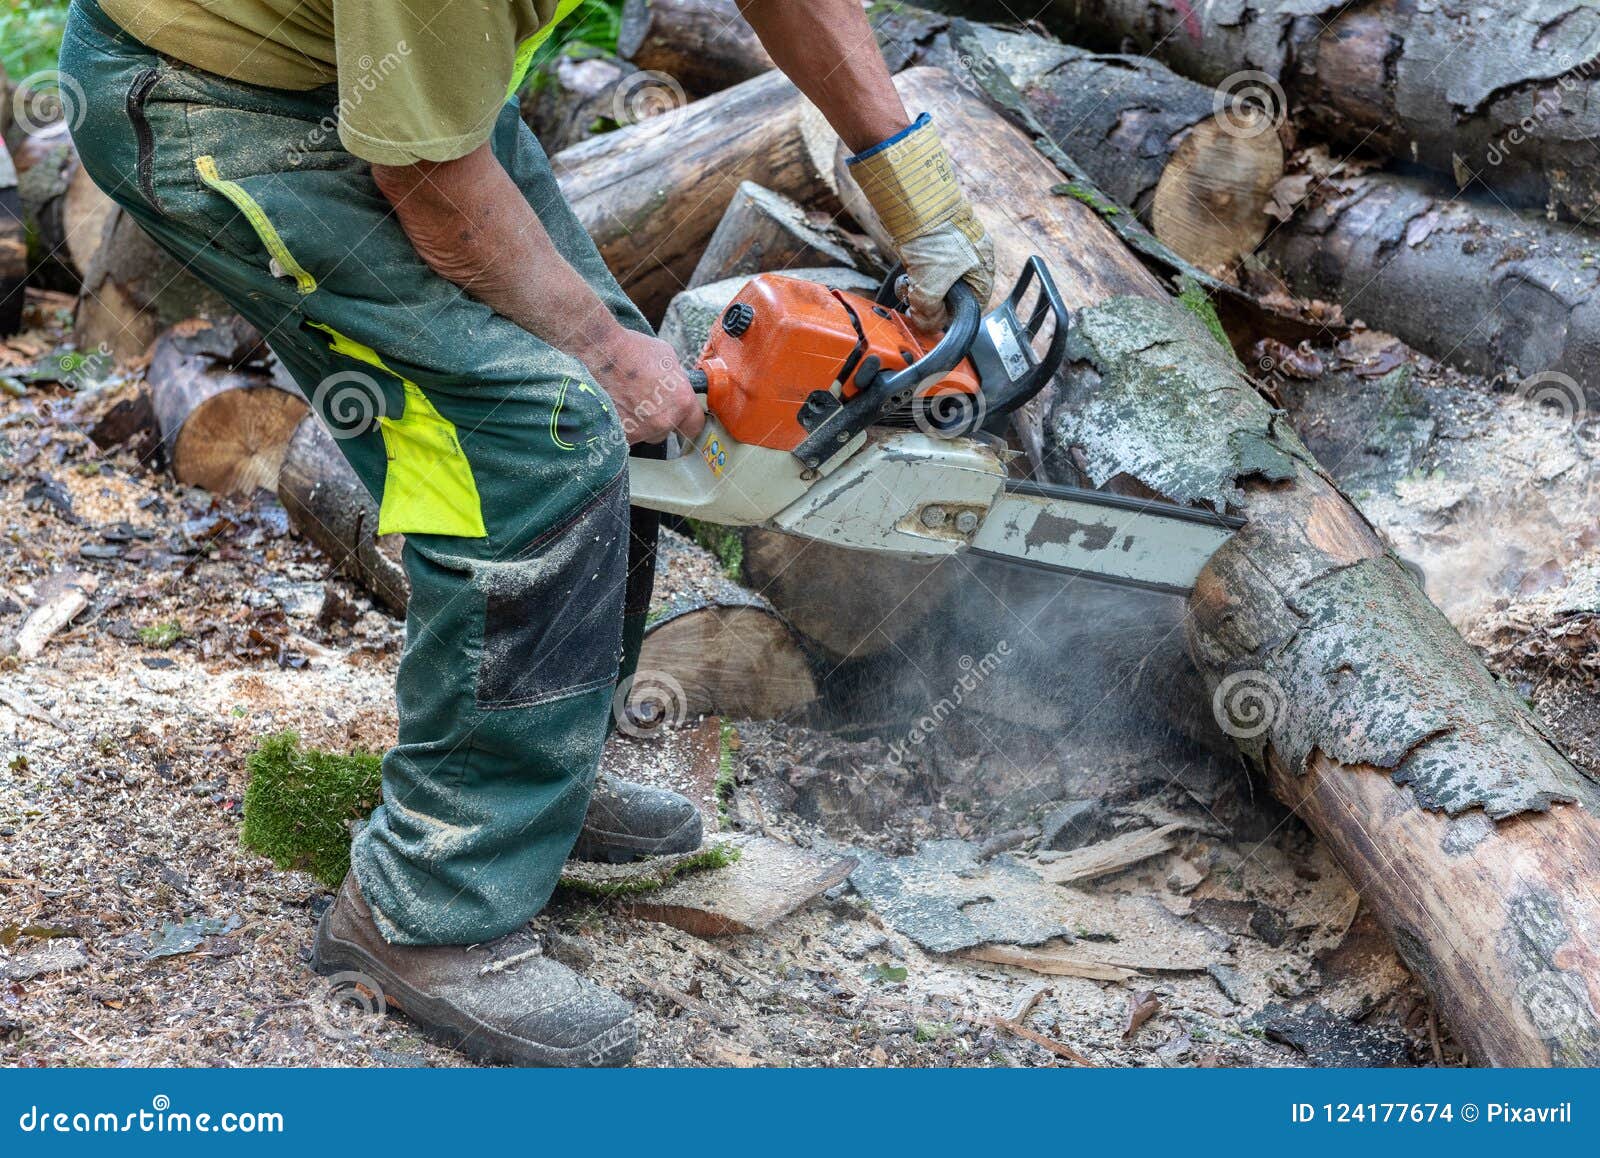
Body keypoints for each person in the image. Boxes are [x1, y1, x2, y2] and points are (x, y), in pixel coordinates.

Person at [59, 0, 995, 1066]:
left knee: (622, 407)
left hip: (399, 89)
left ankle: (533, 776)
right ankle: (426, 907)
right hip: (222, 106)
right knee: (531, 439)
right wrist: (597, 354)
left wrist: (915, 197)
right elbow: (428, 184)